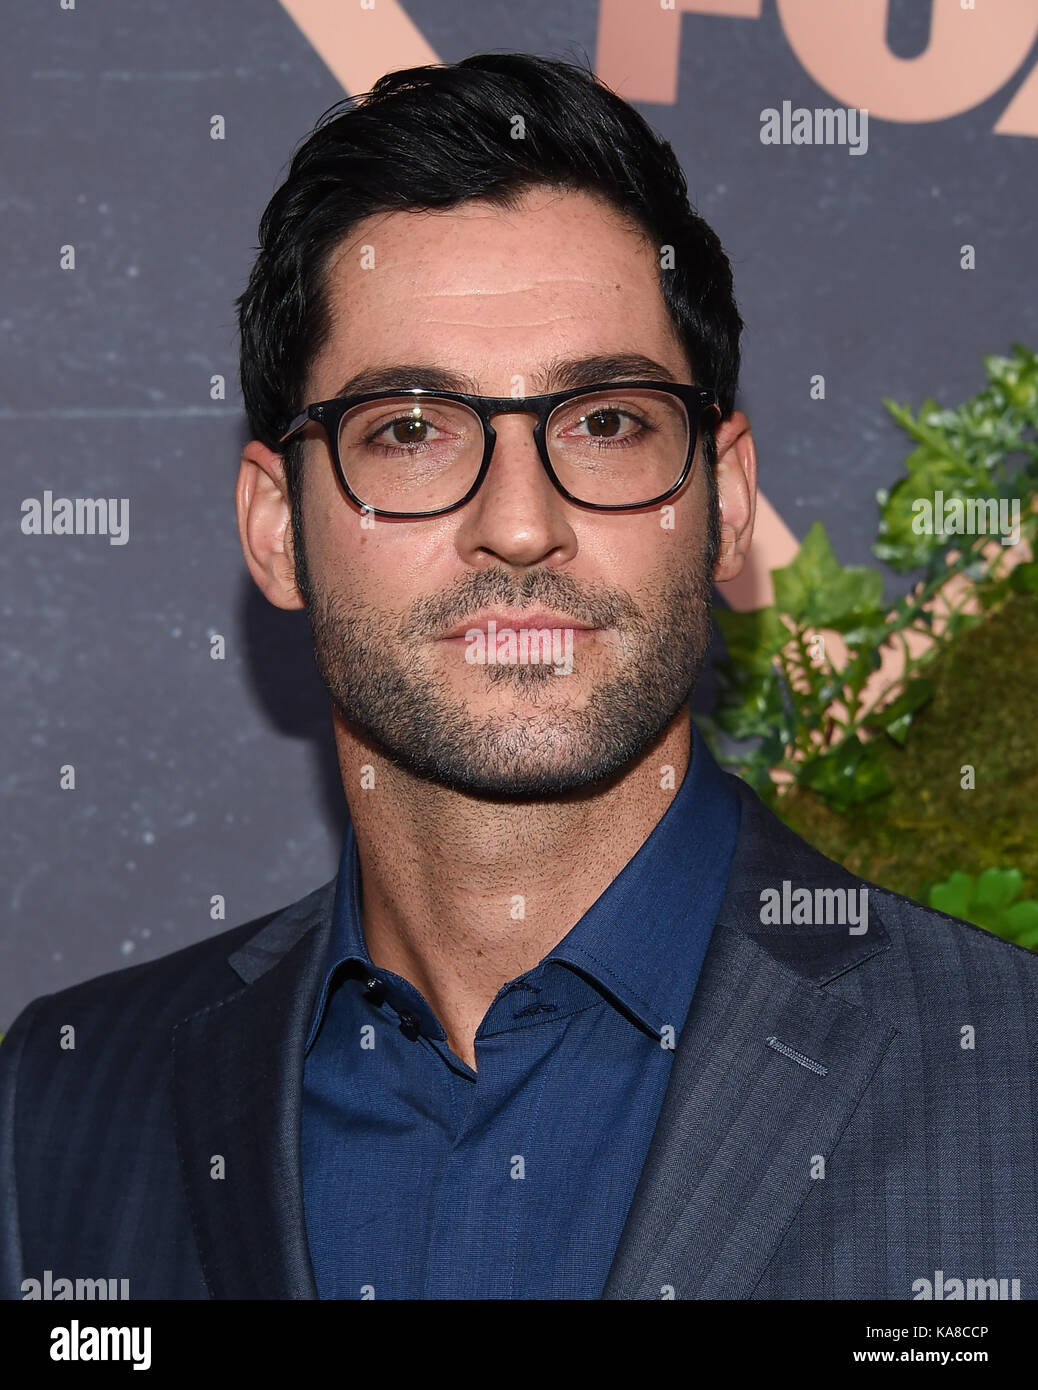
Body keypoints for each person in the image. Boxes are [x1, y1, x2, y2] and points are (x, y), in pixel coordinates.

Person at [2, 52, 1035, 1303]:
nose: (519, 521)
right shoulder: (65, 1102)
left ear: (728, 494)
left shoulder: (1009, 1081)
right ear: (278, 528)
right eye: (410, 431)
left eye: (604, 421)